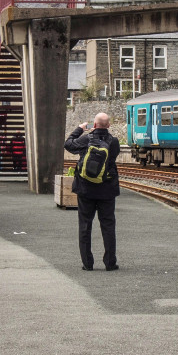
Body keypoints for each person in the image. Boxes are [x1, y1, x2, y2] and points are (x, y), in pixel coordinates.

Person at [64, 112, 120, 271]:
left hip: (86, 189)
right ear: (108, 125)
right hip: (107, 190)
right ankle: (110, 263)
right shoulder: (113, 142)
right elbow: (112, 159)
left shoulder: (85, 139)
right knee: (108, 226)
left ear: (94, 125)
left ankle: (87, 264)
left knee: (85, 226)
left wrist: (79, 129)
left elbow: (68, 144)